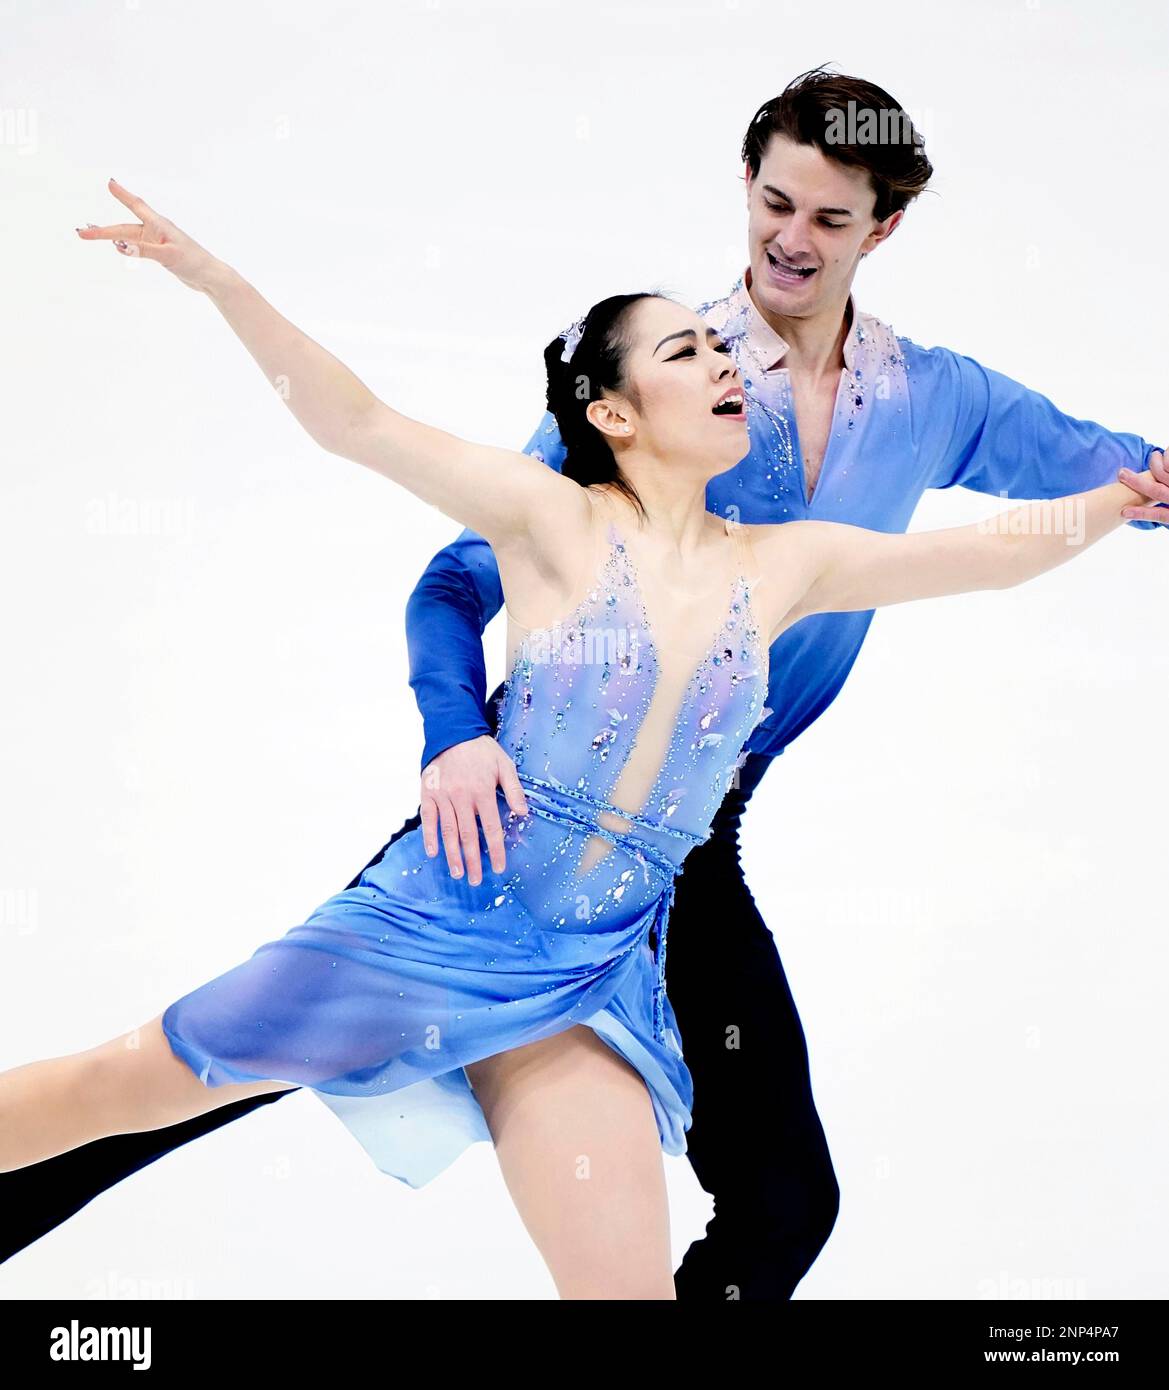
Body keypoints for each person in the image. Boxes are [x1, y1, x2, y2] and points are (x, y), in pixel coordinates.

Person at [4, 69, 1166, 1299]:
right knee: (177, 1081)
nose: (788, 239)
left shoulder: (913, 420)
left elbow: (1049, 507)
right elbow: (423, 537)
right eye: (773, 202)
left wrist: (1131, 492)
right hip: (504, 807)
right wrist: (455, 733)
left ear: (882, 228)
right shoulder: (637, 403)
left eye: (829, 218)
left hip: (667, 856)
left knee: (780, 1195)